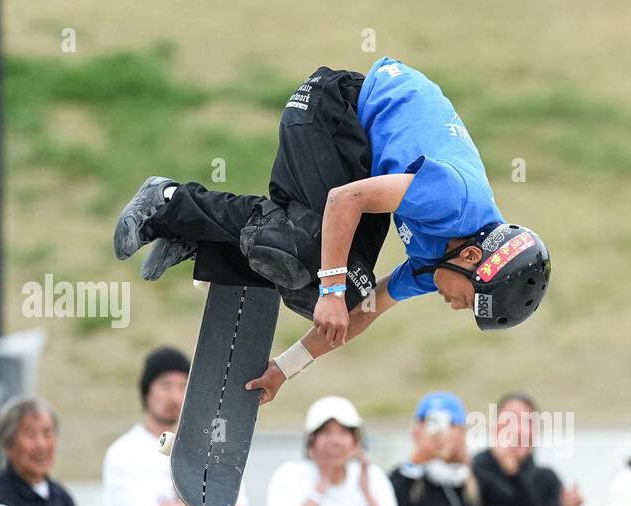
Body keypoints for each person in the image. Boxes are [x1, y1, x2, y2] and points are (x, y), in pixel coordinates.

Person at [113, 58, 550, 408]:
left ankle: (200, 237)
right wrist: (330, 288)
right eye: (470, 298)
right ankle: (168, 201)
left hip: (363, 158)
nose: (456, 306)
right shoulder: (454, 199)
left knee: (346, 290)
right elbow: (344, 201)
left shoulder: (437, 263)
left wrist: (284, 368)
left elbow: (366, 311)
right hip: (333, 107)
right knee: (311, 255)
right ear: (473, 260)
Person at [104, 347, 247, 506]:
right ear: (146, 393)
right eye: (166, 386)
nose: (175, 396)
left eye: (183, 386)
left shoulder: (209, 448)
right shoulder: (124, 452)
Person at [267, 395, 407, 506]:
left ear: (356, 442)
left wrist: (367, 493)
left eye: (343, 432)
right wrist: (323, 482)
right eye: (326, 432)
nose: (335, 441)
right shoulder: (289, 475)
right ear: (311, 441)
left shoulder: (372, 477)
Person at [472, 392, 583, 506]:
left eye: (527, 422)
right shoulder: (473, 471)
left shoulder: (547, 477)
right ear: (493, 426)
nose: (519, 430)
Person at [390, 392, 481, 506]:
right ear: (417, 431)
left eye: (450, 424)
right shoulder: (403, 477)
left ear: (462, 432)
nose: (440, 432)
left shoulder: (476, 477)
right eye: (431, 423)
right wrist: (416, 461)